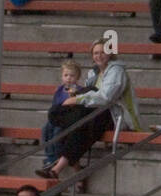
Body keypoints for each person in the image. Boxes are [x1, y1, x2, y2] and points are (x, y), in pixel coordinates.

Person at [38, 39, 140, 181]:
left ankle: (59, 167)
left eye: (102, 52)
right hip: (96, 116)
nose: (99, 56)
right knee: (74, 122)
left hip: (115, 116)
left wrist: (77, 99)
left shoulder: (117, 71)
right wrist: (75, 96)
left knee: (82, 117)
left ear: (110, 53)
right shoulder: (94, 73)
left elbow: (105, 98)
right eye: (95, 53)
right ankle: (62, 171)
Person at [40, 61, 86, 172]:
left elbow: (78, 106)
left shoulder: (78, 90)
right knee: (45, 130)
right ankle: (50, 157)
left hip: (68, 118)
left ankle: (57, 157)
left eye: (72, 75)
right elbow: (54, 105)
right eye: (66, 75)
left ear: (78, 77)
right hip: (57, 116)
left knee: (57, 133)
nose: (68, 78)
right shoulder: (59, 90)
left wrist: (74, 96)